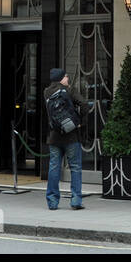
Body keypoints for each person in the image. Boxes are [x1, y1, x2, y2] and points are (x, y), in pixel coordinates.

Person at [43, 68, 84, 211]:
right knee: (75, 168)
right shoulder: (69, 90)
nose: (68, 79)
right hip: (71, 136)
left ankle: (52, 202)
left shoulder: (46, 92)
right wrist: (80, 122)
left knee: (54, 167)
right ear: (61, 78)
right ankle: (76, 200)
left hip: (54, 137)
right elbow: (84, 104)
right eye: (66, 77)